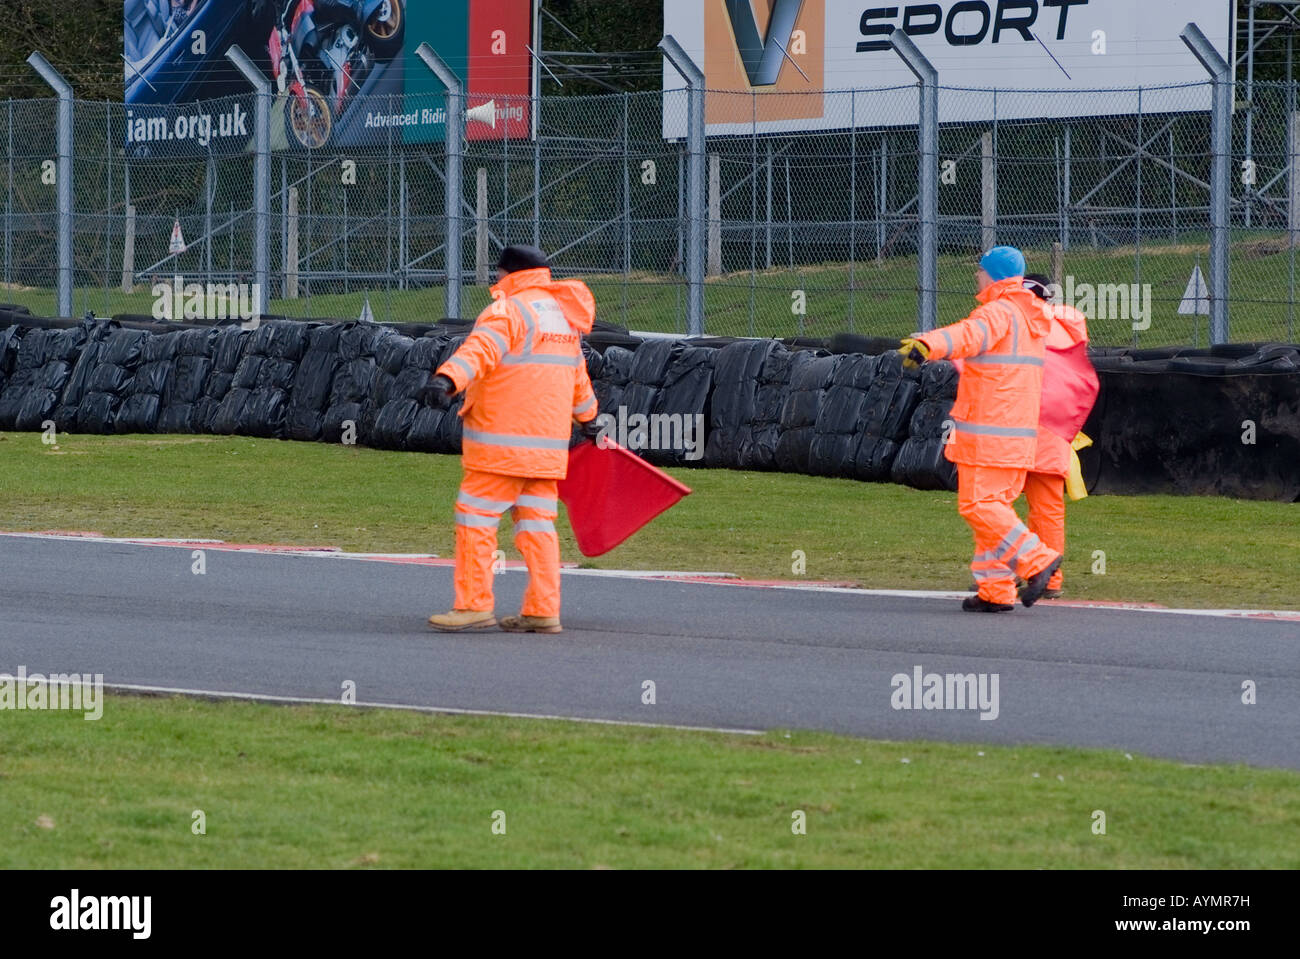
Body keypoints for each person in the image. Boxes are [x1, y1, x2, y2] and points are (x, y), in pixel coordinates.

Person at [425, 245, 600, 634]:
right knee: (537, 527)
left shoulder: (508, 310)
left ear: (509, 275)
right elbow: (577, 378)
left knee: (475, 517)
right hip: (547, 453)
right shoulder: (562, 319)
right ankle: (543, 610)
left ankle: (473, 604)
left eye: (498, 275)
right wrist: (591, 419)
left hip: (500, 448)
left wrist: (448, 379)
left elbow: (480, 350)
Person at [899, 247, 1063, 612]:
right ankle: (996, 590)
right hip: (1015, 434)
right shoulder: (1030, 315)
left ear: (995, 275)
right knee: (995, 510)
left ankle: (1037, 560)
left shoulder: (999, 312)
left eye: (980, 270)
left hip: (990, 433)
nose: (976, 275)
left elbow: (968, 334)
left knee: (979, 505)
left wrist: (928, 343)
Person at [1018, 274, 1098, 600]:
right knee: (1048, 509)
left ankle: (1004, 572)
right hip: (1056, 431)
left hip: (1018, 427)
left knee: (992, 504)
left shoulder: (1021, 327)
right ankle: (1049, 577)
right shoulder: (1066, 327)